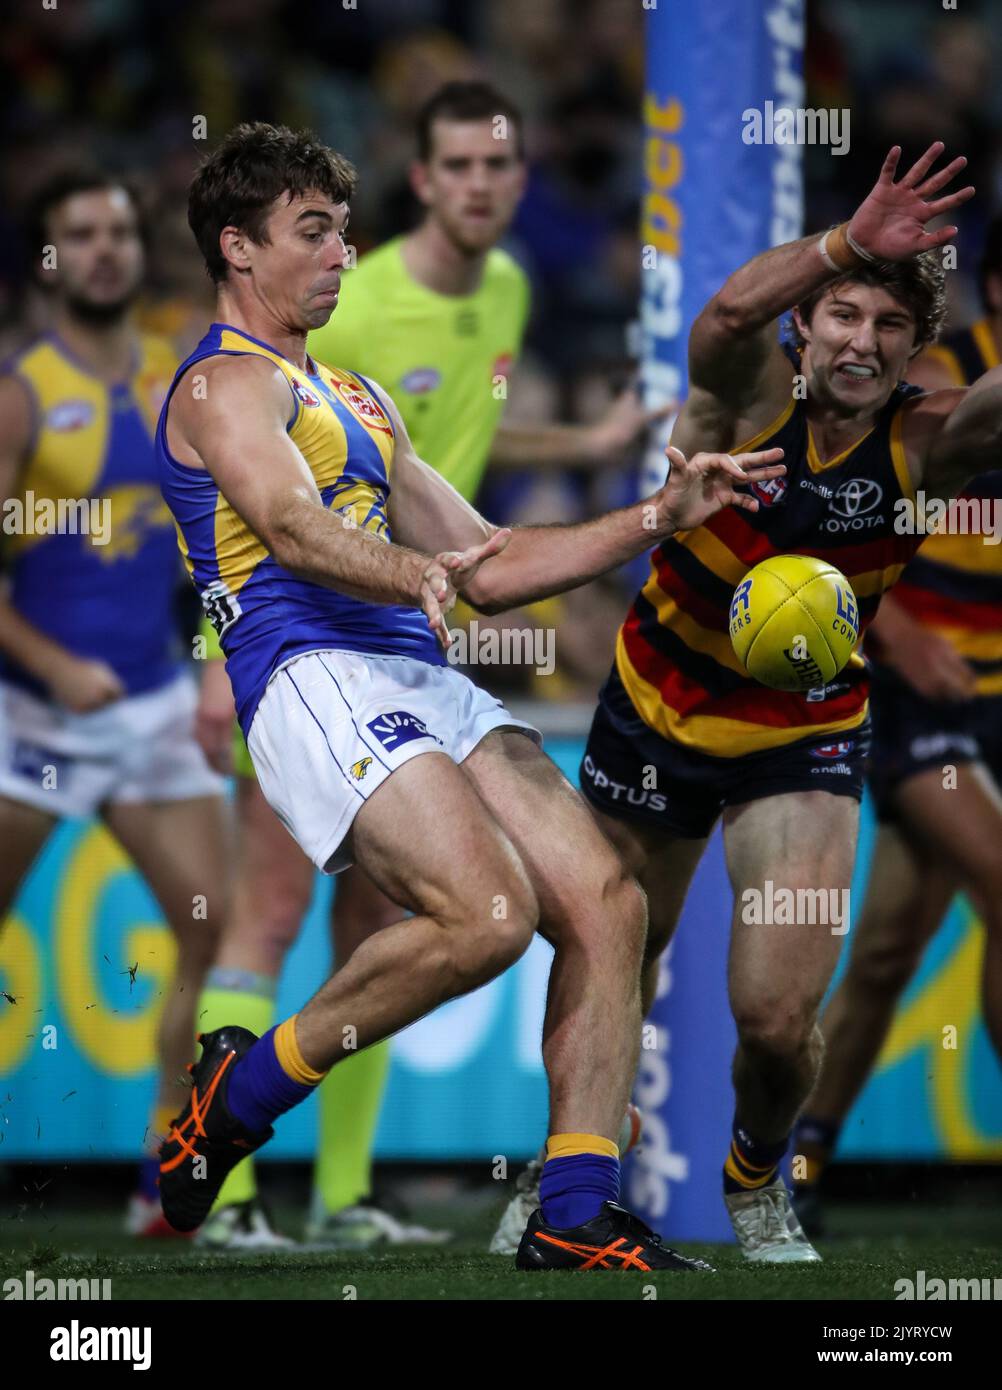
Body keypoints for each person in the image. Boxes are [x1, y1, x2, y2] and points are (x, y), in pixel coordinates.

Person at [155, 120, 785, 1272]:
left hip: (415, 665)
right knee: (488, 918)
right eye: (314, 233)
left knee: (606, 897)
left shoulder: (354, 392)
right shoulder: (218, 385)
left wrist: (659, 517)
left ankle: (572, 1208)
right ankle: (236, 1098)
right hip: (311, 673)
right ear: (238, 249)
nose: (342, 253)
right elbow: (293, 531)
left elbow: (487, 558)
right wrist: (416, 573)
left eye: (345, 231)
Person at [495, 142, 994, 1263]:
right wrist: (850, 242)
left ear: (916, 348)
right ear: (803, 331)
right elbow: (721, 314)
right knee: (613, 949)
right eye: (843, 315)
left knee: (775, 1019)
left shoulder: (931, 442)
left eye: (887, 326)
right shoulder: (742, 398)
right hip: (654, 714)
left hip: (803, 741)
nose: (861, 341)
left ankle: (758, 1174)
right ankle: (570, 1164)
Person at [0, 171, 227, 1236]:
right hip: (33, 722)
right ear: (48, 259)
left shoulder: (170, 378)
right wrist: (48, 661)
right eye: (79, 234)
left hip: (146, 710)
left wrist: (216, 657)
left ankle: (162, 1173)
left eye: (120, 232)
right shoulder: (22, 392)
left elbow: (211, 541)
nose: (104, 250)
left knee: (207, 925)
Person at [791, 215, 1002, 1233]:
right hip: (920, 689)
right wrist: (901, 627)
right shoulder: (934, 386)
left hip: (998, 689)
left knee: (886, 947)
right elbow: (844, 518)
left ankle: (802, 1158)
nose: (865, 338)